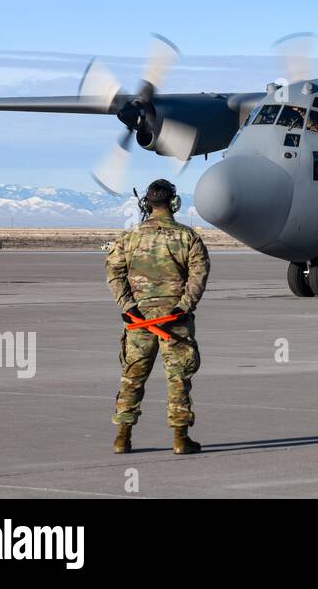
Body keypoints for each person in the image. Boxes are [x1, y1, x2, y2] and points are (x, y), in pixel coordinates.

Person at [107, 179, 210, 454]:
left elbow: (114, 273)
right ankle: (180, 438)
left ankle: (122, 437)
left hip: (139, 322)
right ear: (174, 204)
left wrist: (128, 307)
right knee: (178, 378)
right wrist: (182, 307)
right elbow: (198, 276)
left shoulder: (128, 237)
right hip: (174, 322)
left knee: (132, 378)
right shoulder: (188, 237)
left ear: (146, 204)